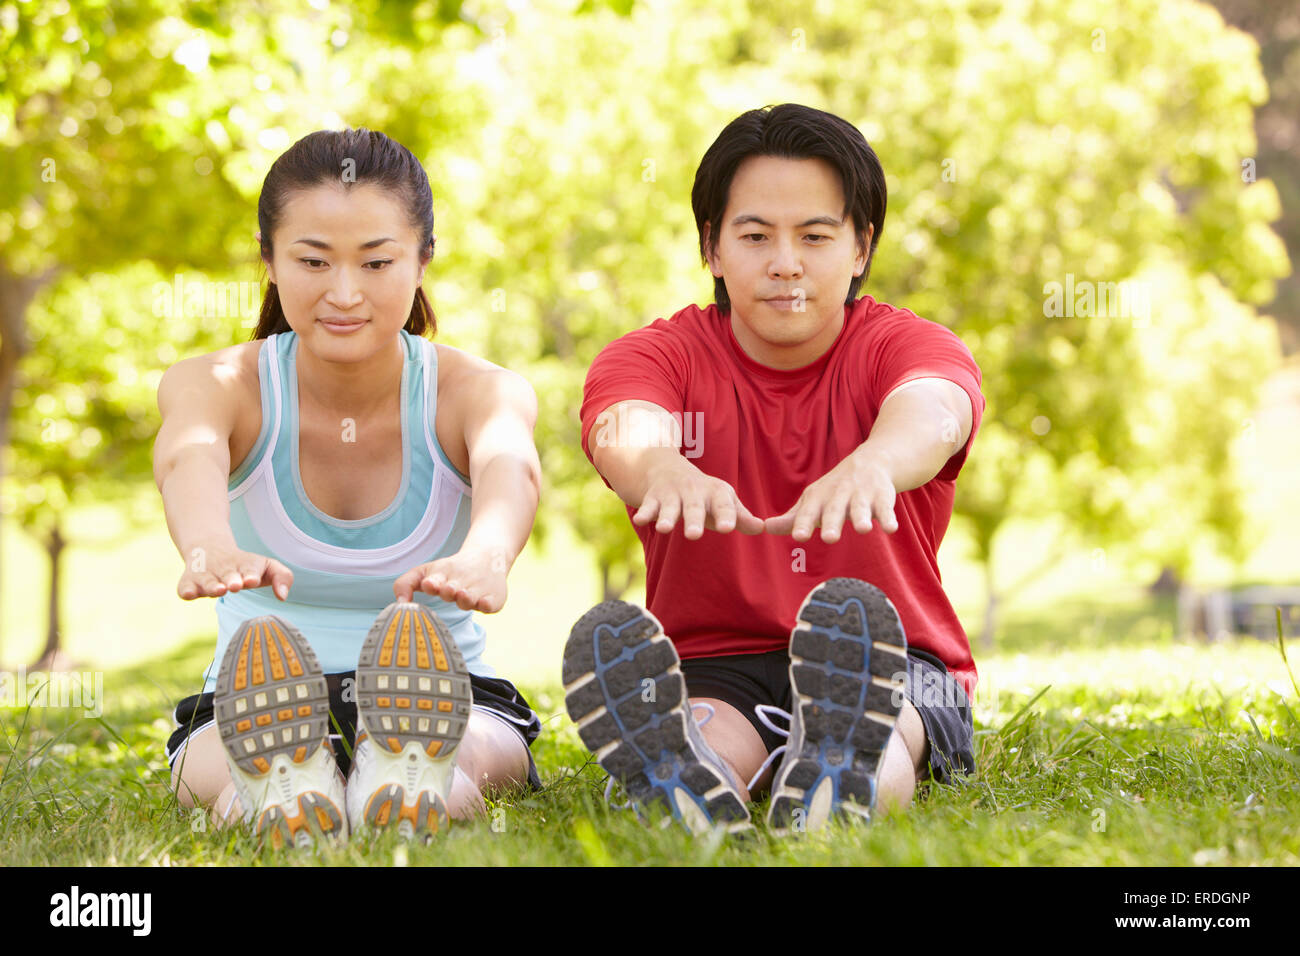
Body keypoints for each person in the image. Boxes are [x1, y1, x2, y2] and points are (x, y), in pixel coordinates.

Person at [564, 104, 984, 835]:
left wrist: (875, 464)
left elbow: (936, 411)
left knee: (880, 729)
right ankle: (682, 778)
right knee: (703, 738)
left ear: (861, 247)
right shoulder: (657, 355)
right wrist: (661, 467)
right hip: (714, 662)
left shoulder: (906, 346)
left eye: (814, 236)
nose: (785, 263)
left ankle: (839, 776)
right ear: (713, 247)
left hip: (895, 659)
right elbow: (623, 424)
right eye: (755, 236)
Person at [154, 128, 543, 847]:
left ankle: (401, 772)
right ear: (268, 259)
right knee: (230, 786)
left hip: (446, 695)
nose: (343, 292)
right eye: (312, 260)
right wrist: (208, 543)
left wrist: (487, 554)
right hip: (256, 704)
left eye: (376, 261)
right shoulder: (218, 384)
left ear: (423, 259)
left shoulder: (480, 390)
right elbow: (189, 454)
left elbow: (508, 465)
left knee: (464, 766)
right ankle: (290, 782)